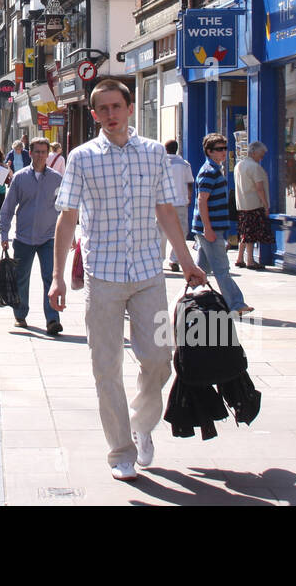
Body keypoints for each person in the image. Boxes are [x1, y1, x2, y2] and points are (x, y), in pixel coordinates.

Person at [49, 80, 204, 482]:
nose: (111, 114)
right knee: (106, 366)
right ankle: (120, 450)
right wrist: (57, 278)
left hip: (149, 274)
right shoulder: (81, 158)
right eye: (103, 109)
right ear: (95, 113)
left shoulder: (155, 154)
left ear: (130, 108)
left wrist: (186, 262)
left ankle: (141, 423)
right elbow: (67, 218)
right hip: (103, 277)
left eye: (117, 106)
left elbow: (166, 210)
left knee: (158, 360)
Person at [0, 137, 64, 335]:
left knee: (50, 278)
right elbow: (8, 208)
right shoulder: (20, 177)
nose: (41, 155)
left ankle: (52, 319)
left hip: (48, 238)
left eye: (44, 152)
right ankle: (20, 314)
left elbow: (65, 209)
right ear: (30, 153)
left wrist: (71, 236)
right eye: (37, 152)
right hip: (23, 238)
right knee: (21, 278)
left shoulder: (56, 178)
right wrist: (4, 233)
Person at [192, 132, 253, 315]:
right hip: (211, 229)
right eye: (219, 149)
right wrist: (208, 228)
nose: (224, 152)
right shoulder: (209, 171)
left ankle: (190, 301)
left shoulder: (215, 169)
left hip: (212, 227)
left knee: (201, 270)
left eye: (225, 148)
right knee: (222, 268)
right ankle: (236, 304)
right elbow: (202, 200)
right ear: (209, 151)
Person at [234, 141, 273, 271]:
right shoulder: (254, 167)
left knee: (244, 231)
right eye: (261, 154)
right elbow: (259, 188)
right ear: (254, 152)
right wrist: (266, 205)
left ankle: (240, 258)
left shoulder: (239, 165)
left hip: (242, 204)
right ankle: (250, 260)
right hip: (254, 204)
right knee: (251, 233)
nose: (262, 157)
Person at [162, 139, 193, 272]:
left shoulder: (161, 163)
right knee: (180, 232)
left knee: (160, 232)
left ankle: (158, 259)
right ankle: (174, 259)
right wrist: (189, 196)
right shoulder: (184, 164)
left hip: (163, 203)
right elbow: (190, 182)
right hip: (180, 202)